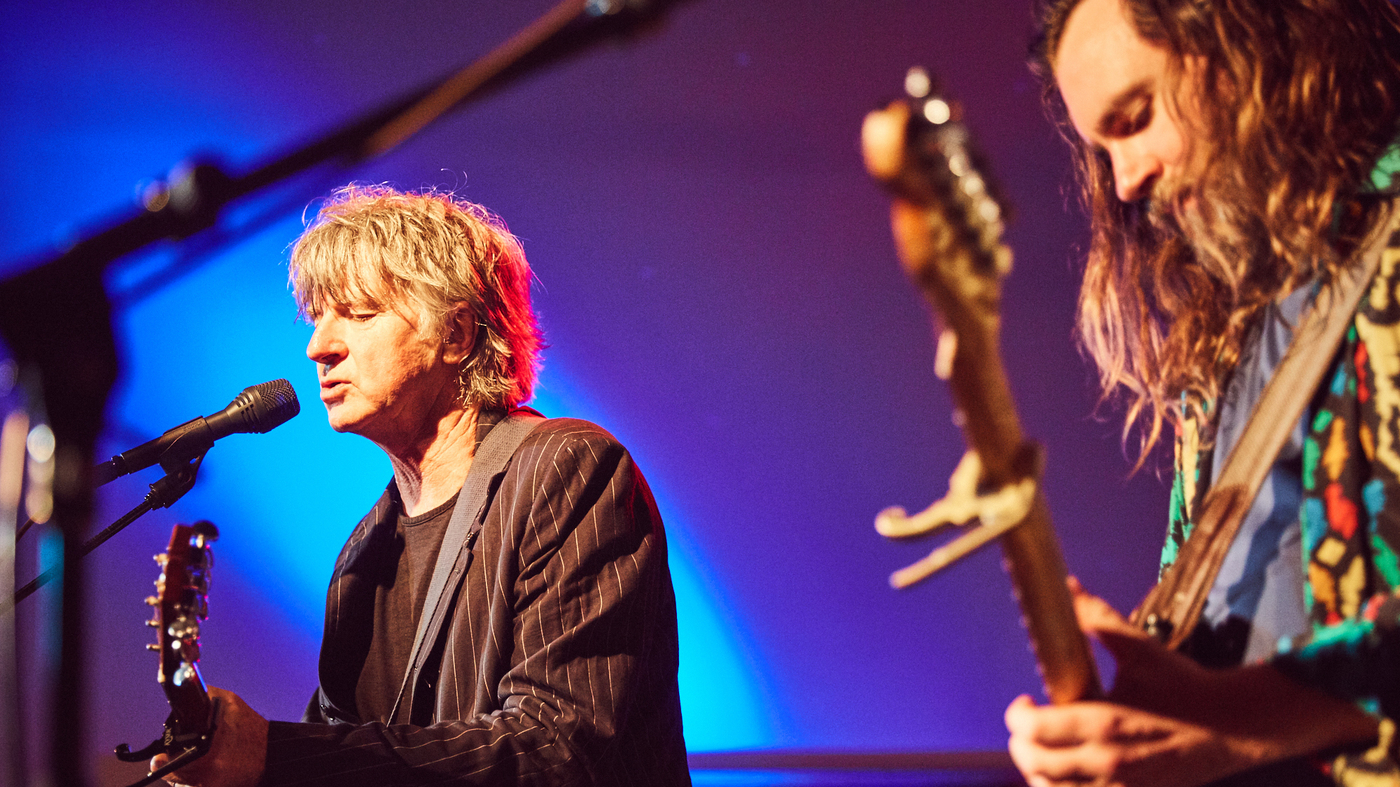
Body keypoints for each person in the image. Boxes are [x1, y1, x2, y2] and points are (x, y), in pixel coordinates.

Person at [153, 184, 691, 786]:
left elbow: (556, 748)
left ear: (456, 335)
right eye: (316, 318)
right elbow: (344, 759)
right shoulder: (365, 553)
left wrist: (275, 754)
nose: (318, 348)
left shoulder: (568, 469)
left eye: (358, 313)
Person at [1004, 0, 1400, 785]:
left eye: (1136, 115)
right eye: (1101, 148)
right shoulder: (1232, 329)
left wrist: (1248, 721)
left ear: (1244, 42)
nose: (1123, 182)